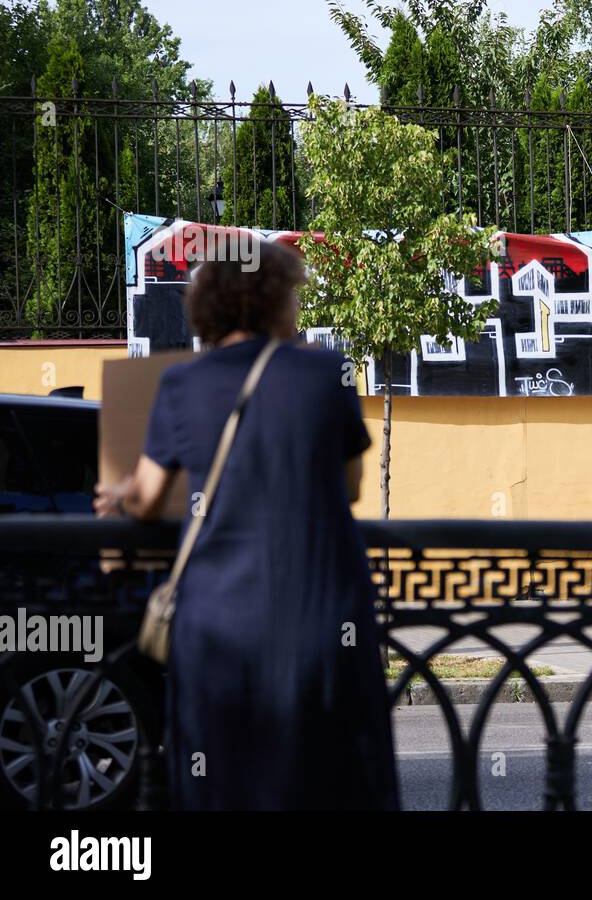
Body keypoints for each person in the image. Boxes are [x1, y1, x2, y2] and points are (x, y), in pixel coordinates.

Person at [94, 238, 399, 810]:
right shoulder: (326, 373)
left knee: (225, 784)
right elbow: (353, 486)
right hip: (321, 617)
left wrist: (117, 494)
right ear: (275, 300)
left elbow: (146, 495)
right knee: (331, 783)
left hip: (218, 629)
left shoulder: (181, 384)